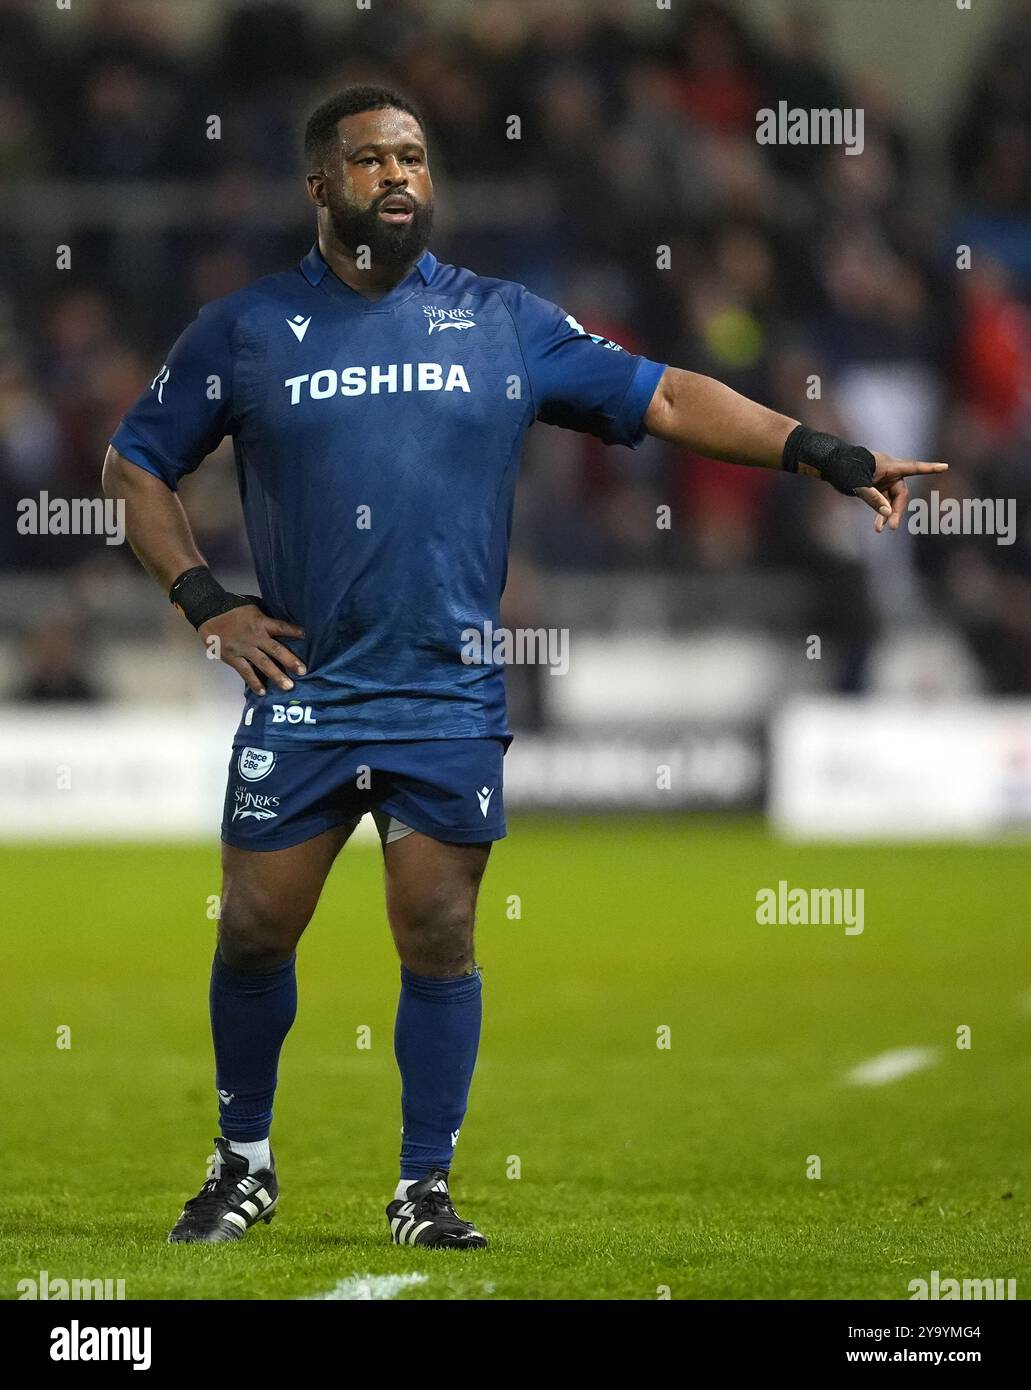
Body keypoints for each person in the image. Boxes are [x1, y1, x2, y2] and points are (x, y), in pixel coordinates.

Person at [102, 85, 946, 1248]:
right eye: (370, 161)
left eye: (413, 156)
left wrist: (817, 449)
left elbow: (666, 394)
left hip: (445, 686)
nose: (398, 176)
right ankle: (241, 1162)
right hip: (302, 684)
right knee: (252, 925)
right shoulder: (244, 330)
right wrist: (205, 604)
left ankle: (424, 1188)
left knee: (436, 928)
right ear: (319, 188)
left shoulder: (502, 321)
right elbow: (134, 463)